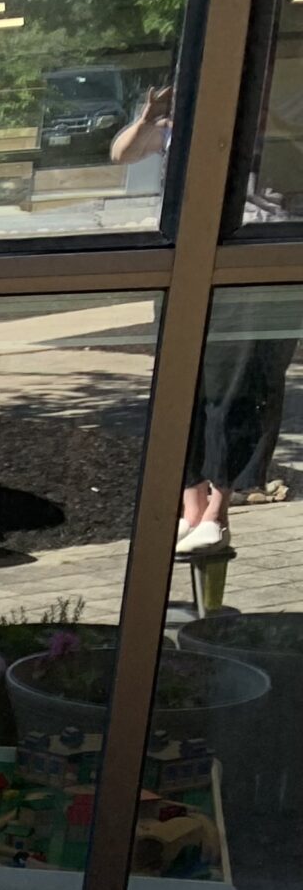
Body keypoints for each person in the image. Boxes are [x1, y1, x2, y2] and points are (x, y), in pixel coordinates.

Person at [113, 83, 299, 554]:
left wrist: (264, 123)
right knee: (187, 385)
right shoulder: (179, 134)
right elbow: (123, 153)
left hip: (255, 269)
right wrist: (148, 115)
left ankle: (219, 510)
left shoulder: (278, 133)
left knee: (239, 389)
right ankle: (192, 510)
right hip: (189, 264)